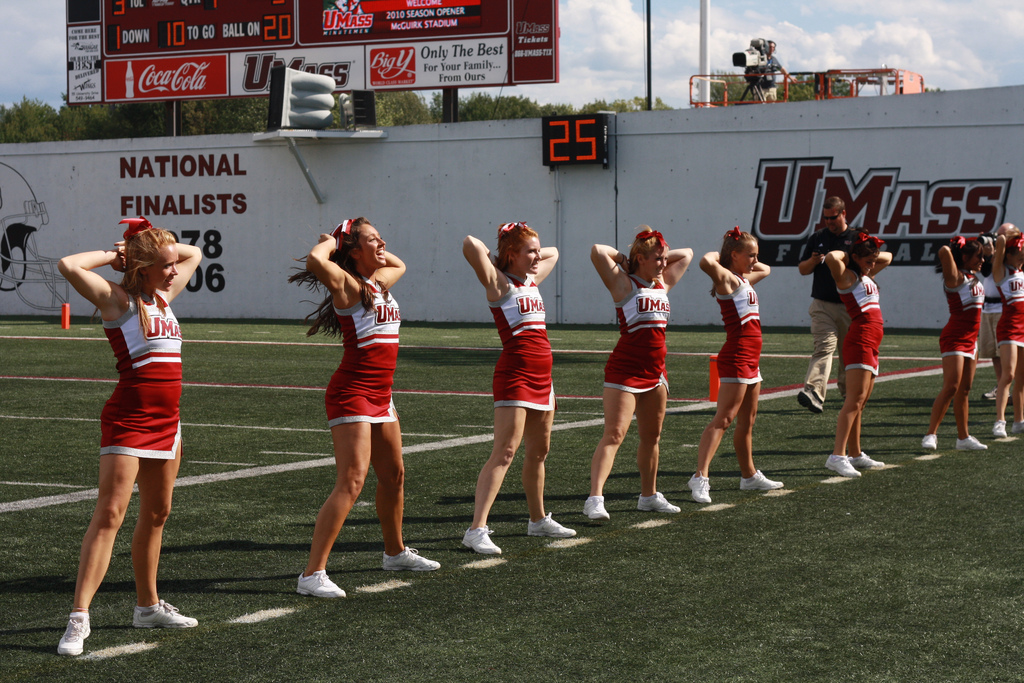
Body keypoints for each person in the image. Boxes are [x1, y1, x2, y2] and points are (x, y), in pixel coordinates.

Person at [55, 217, 203, 656]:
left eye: (172, 264)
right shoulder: (117, 301)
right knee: (110, 514)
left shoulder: (164, 296)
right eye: (165, 265)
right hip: (130, 421)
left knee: (157, 514)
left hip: (169, 423)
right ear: (141, 267)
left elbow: (194, 253)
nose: (174, 271)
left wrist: (156, 242)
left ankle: (148, 606)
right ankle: (79, 617)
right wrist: (115, 254)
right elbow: (68, 265)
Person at [290, 218, 440, 600]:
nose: (383, 244)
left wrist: (370, 246)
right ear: (353, 251)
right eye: (373, 240)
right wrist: (332, 242)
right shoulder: (349, 286)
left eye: (381, 238)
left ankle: (395, 553)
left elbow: (399, 263)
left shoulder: (378, 283)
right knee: (352, 481)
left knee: (394, 476)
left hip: (381, 395)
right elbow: (315, 261)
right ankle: (312, 573)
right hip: (353, 393)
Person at [461, 222, 575, 554]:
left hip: (543, 379)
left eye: (537, 250)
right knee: (505, 452)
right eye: (530, 251)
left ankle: (537, 520)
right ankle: (476, 529)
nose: (538, 256)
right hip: (515, 376)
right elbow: (470, 242)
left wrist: (527, 250)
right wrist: (498, 258)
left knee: (539, 452)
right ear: (512, 254)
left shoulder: (531, 279)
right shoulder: (499, 284)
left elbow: (554, 253)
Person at [584, 228, 693, 520]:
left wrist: (660, 253)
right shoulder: (623, 283)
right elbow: (597, 250)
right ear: (640, 259)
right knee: (614, 434)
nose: (664, 263)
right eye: (657, 259)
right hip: (625, 371)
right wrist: (625, 259)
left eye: (664, 259)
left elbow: (687, 254)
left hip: (656, 372)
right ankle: (595, 499)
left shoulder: (662, 283)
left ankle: (648, 495)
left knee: (652, 437)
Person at [688, 228, 783, 505]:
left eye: (756, 255)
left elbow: (766, 269)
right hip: (737, 356)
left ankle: (749, 476)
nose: (755, 261)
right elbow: (705, 261)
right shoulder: (727, 279)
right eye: (750, 255)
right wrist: (725, 255)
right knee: (724, 419)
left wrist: (745, 258)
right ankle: (700, 477)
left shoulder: (742, 278)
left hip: (751, 359)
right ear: (734, 255)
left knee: (747, 422)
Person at [823, 231, 893, 477]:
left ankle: (855, 453)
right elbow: (831, 257)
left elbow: (888, 257)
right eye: (868, 261)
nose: (873, 265)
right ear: (854, 257)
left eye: (873, 261)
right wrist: (850, 252)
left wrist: (866, 252)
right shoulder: (847, 277)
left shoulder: (865, 273)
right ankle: (837, 455)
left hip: (871, 341)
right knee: (853, 400)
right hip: (860, 339)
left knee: (860, 402)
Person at [921, 237, 987, 450]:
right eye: (978, 256)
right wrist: (956, 246)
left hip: (971, 340)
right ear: (964, 257)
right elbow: (943, 251)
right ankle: (931, 434)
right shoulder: (955, 277)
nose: (982, 260)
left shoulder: (972, 276)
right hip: (955, 338)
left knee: (965, 390)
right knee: (951, 387)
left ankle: (963, 438)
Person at [796, 196, 855, 414]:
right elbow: (802, 269)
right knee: (823, 347)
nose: (829, 222)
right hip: (822, 305)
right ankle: (814, 392)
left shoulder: (856, 237)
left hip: (849, 305)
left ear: (843, 214)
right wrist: (813, 261)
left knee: (848, 354)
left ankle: (850, 394)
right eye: (826, 218)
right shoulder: (818, 237)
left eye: (833, 217)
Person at [990, 228, 1024, 437]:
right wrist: (1012, 234)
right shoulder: (1001, 272)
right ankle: (1000, 421)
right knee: (1008, 374)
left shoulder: (1021, 271)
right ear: (1008, 255)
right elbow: (1001, 241)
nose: (1022, 255)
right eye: (1019, 252)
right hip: (1009, 328)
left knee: (1022, 377)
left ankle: (1019, 421)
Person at [978, 224, 1017, 400]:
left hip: (1005, 308)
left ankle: (1014, 388)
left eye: (1002, 235)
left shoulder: (1014, 254)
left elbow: (999, 270)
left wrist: (993, 253)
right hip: (988, 308)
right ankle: (1002, 387)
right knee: (994, 352)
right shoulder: (995, 255)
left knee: (1008, 352)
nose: (998, 238)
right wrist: (986, 254)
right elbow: (986, 272)